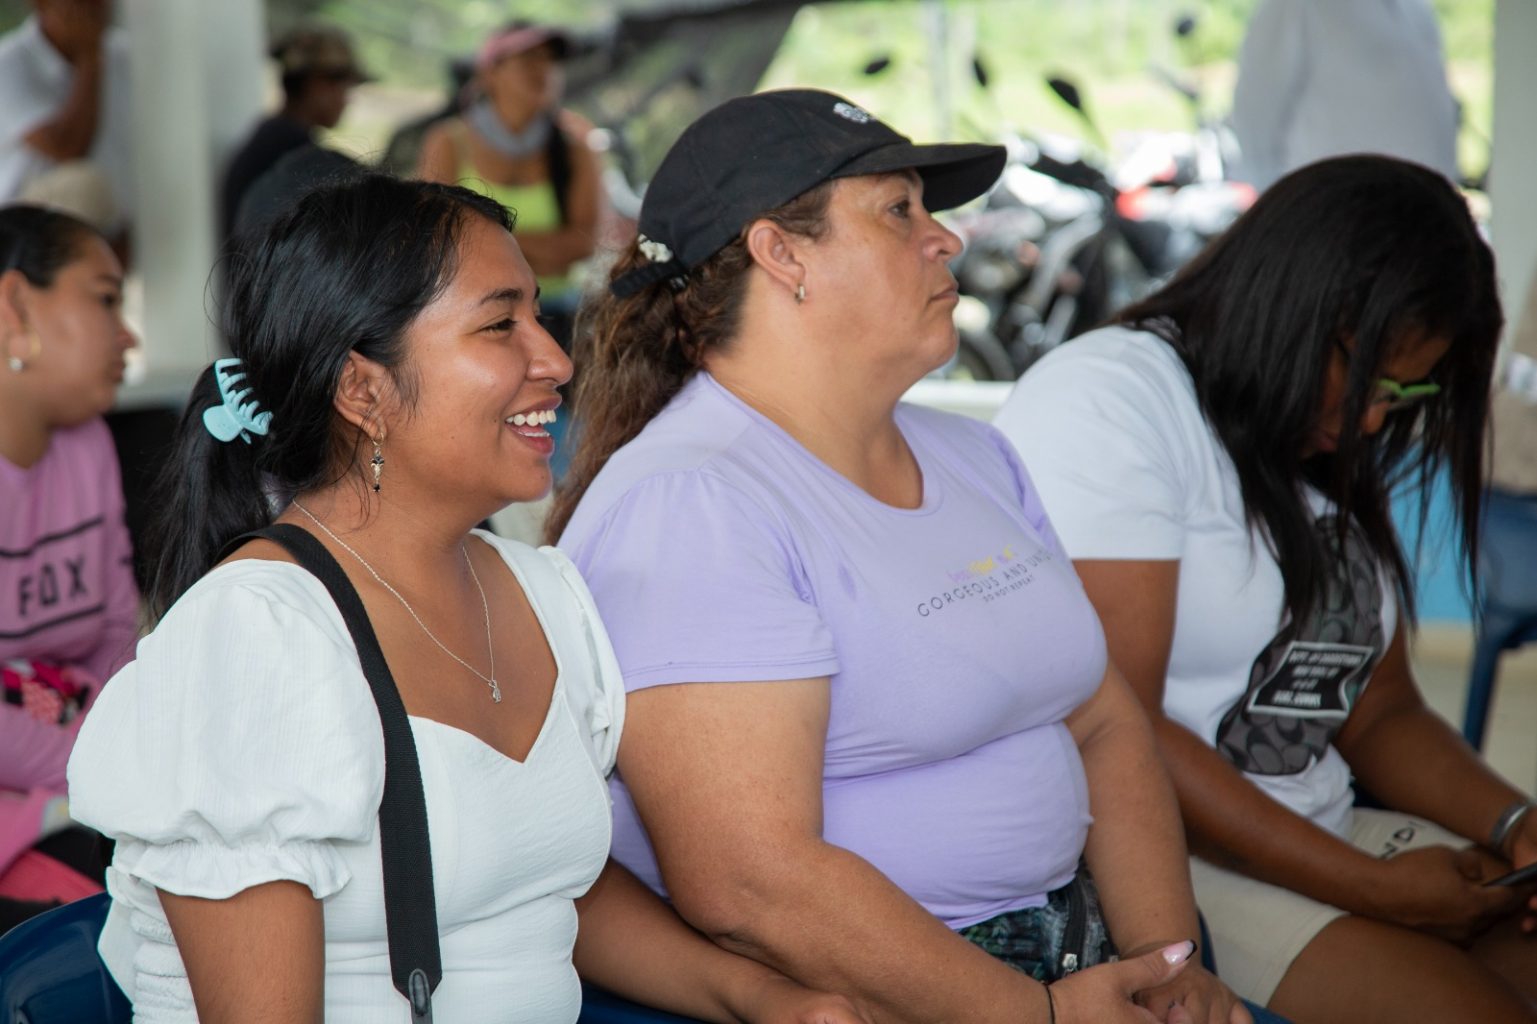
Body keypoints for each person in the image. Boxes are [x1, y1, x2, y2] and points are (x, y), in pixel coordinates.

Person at [65, 174, 863, 1024]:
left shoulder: (533, 588)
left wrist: (765, 1000)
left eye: (536, 317)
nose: (554, 359)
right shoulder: (255, 638)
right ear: (362, 390)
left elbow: (535, 885)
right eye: (499, 325)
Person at [550, 88, 1250, 1024]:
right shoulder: (696, 503)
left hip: (1077, 954)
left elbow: (1104, 723)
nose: (946, 239)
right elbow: (752, 884)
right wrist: (1035, 1016)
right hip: (889, 993)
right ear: (781, 252)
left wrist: (1166, 965)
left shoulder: (972, 454)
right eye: (898, 210)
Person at [994, 155, 1537, 1024]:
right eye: (1364, 377)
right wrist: (1372, 890)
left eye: (1401, 395)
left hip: (1318, 829)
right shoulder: (1112, 400)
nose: (1369, 421)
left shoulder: (1311, 437)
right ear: (1291, 302)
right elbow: (1119, 727)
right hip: (1166, 863)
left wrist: (1515, 825)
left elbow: (1378, 713)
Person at [0, 202, 138, 931]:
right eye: (106, 299)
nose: (129, 334)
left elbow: (117, 633)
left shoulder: (88, 446)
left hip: (77, 782)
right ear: (15, 305)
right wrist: (107, 763)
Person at [417, 21, 602, 348]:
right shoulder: (448, 142)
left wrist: (483, 240)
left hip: (556, 315)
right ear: (490, 73)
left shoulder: (577, 144)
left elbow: (583, 245)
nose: (543, 70)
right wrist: (543, 251)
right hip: (472, 317)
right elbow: (437, 242)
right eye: (528, 60)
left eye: (550, 61)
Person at [1230, 0, 1461, 191]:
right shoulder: (1297, 6)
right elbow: (1255, 112)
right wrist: (1276, 204)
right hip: (1331, 215)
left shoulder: (1417, 10)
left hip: (1420, 213)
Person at [219, 23, 370, 243]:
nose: (347, 100)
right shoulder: (295, 158)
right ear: (316, 84)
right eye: (344, 87)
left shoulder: (270, 142)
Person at [0, 0, 134, 227]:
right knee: (82, 186)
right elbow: (67, 146)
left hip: (113, 228)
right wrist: (90, 57)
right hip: (26, 234)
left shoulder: (125, 54)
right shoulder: (9, 63)